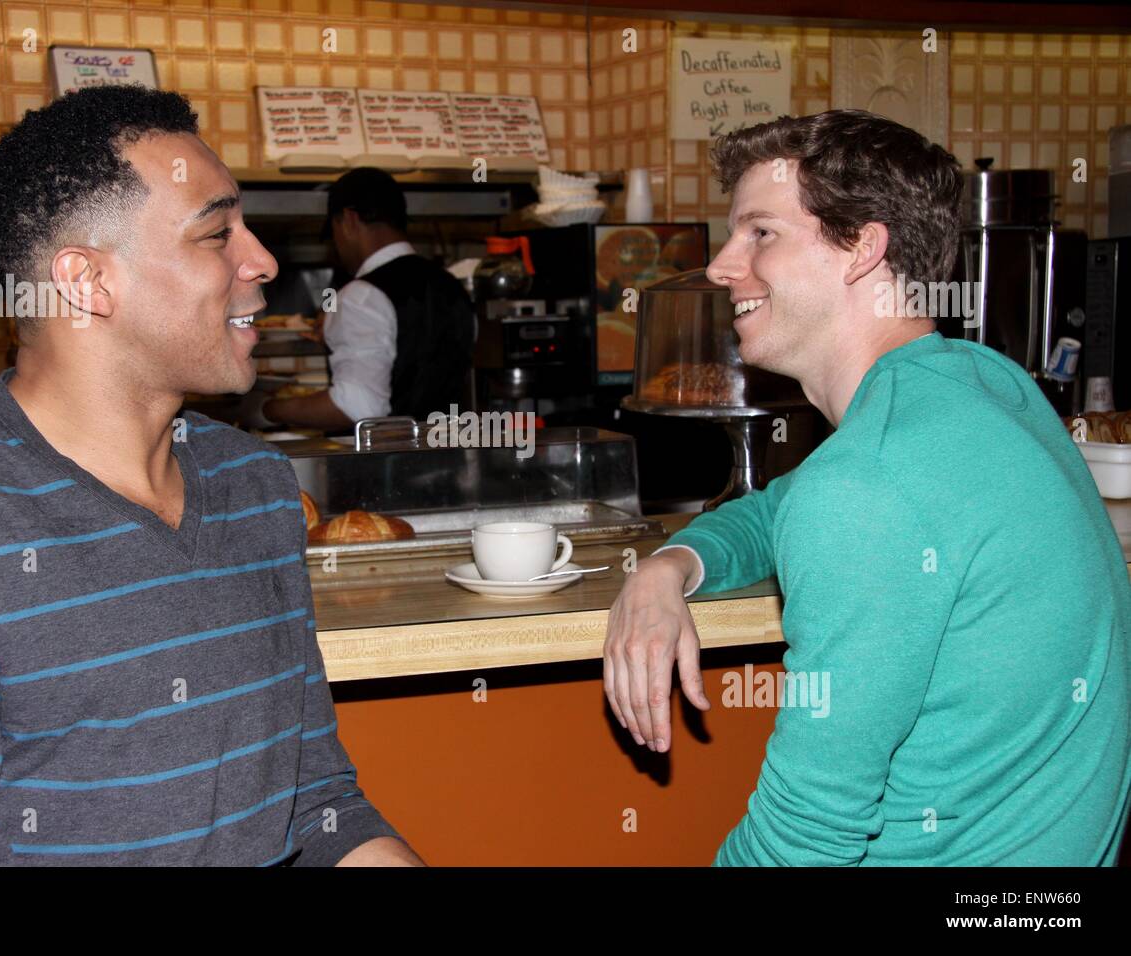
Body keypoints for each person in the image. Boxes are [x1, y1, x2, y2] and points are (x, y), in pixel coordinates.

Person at [0, 86, 422, 866]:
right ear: (87, 281)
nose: (263, 261)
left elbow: (314, 803)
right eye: (217, 233)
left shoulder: (256, 486)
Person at [604, 109, 1131, 866]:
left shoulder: (868, 487)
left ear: (862, 248)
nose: (723, 266)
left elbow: (805, 843)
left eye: (760, 234)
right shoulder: (988, 385)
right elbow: (778, 508)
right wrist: (667, 567)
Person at [261, 167, 475, 430]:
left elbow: (356, 408)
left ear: (349, 220)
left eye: (334, 231)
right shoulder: (454, 288)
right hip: (452, 459)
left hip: (388, 467)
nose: (337, 245)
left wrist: (269, 409)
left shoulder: (359, 296)